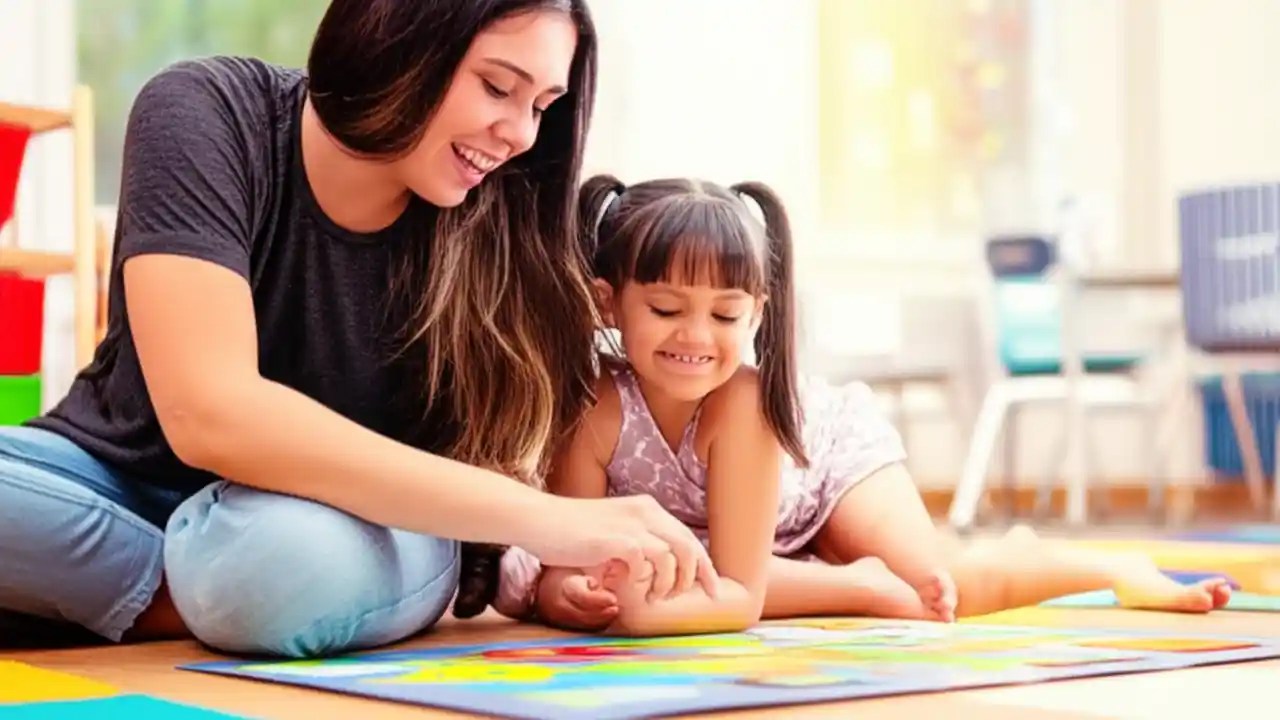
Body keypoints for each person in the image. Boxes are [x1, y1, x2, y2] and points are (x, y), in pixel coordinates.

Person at [0, 0, 720, 658]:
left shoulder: (502, 224)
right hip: (110, 481)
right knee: (245, 576)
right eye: (498, 88)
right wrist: (548, 521)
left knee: (272, 566)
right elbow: (209, 414)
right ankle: (163, 598)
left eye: (542, 104)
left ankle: (58, 586)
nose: (520, 133)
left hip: (347, 528)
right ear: (401, 37)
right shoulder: (205, 111)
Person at [490, 174, 1233, 636]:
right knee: (667, 568)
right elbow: (565, 554)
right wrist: (572, 594)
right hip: (709, 542)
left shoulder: (743, 402)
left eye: (724, 315)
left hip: (819, 471)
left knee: (942, 589)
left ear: (757, 313)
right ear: (608, 302)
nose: (695, 337)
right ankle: (851, 581)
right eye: (665, 308)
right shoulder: (591, 404)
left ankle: (1090, 565)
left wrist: (644, 611)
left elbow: (738, 591)